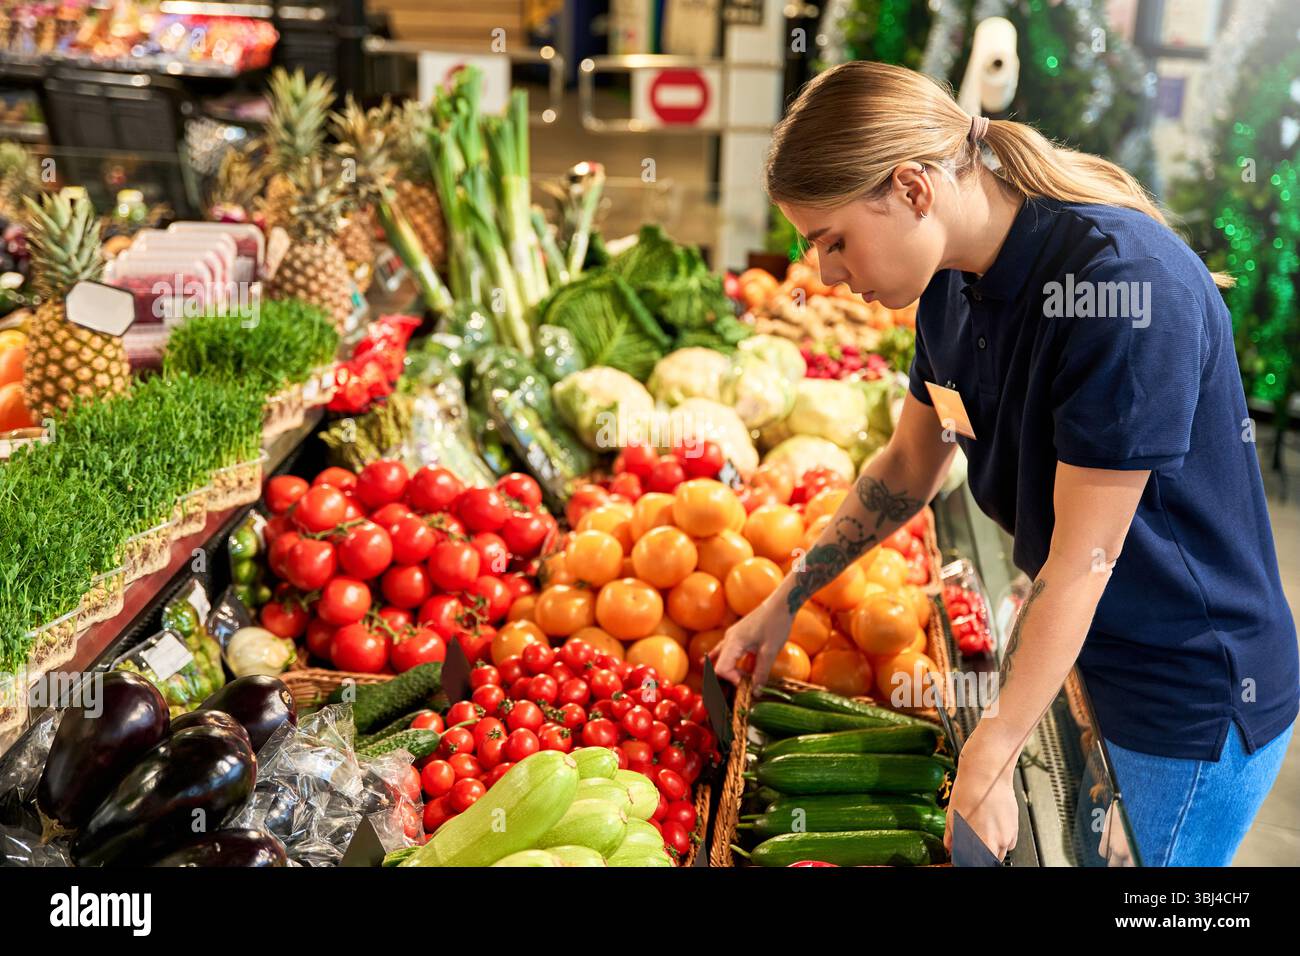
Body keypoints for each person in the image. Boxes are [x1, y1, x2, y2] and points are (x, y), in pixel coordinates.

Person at [713, 61, 1298, 867]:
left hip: (1185, 696)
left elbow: (1083, 561)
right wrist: (789, 596)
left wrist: (991, 751)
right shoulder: (952, 288)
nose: (827, 277)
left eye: (833, 240)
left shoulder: (1123, 287)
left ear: (912, 188)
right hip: (1088, 656)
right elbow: (909, 464)